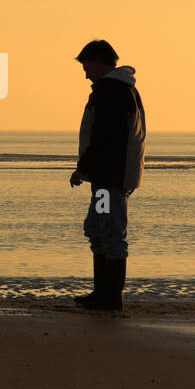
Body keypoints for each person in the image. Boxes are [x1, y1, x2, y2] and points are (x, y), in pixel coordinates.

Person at [68, 39, 146, 310]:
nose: (85, 72)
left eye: (86, 65)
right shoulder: (120, 90)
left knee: (109, 233)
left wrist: (83, 168)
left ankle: (110, 296)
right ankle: (104, 292)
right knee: (98, 229)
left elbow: (104, 137)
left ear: (99, 61)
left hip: (110, 177)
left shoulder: (112, 91)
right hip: (109, 176)